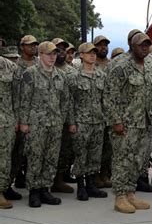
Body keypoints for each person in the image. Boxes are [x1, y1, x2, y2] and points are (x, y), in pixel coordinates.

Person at [104, 33, 152, 213]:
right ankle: (120, 197)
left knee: (137, 160)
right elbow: (109, 96)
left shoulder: (151, 63)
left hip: (144, 122)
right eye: (141, 45)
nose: (145, 48)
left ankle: (130, 193)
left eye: (147, 45)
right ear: (132, 46)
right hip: (125, 124)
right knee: (122, 160)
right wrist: (116, 121)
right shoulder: (119, 65)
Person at [18, 41, 71, 208]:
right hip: (36, 125)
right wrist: (24, 122)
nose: (52, 57)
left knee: (51, 158)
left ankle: (45, 189)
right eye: (49, 54)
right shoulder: (30, 73)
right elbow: (24, 100)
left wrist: (61, 119)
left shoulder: (60, 75)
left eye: (54, 54)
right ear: (40, 55)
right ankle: (34, 192)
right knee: (35, 157)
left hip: (55, 124)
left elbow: (65, 101)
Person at [67, 43, 108, 201]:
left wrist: (105, 119)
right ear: (81, 55)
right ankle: (81, 186)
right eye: (89, 52)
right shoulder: (73, 76)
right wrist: (71, 122)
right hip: (81, 122)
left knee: (95, 155)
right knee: (80, 155)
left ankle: (91, 185)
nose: (92, 55)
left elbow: (104, 100)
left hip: (97, 122)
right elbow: (69, 101)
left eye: (94, 53)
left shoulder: (101, 76)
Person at [10, 35, 39, 193]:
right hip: (20, 112)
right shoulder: (16, 66)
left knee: (32, 152)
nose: (32, 48)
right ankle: (11, 181)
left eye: (35, 45)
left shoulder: (40, 64)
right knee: (17, 151)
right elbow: (13, 93)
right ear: (22, 47)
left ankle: (30, 180)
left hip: (36, 114)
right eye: (29, 45)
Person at [50, 38, 76, 194]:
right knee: (47, 152)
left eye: (63, 49)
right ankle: (41, 184)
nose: (61, 52)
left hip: (67, 118)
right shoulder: (46, 68)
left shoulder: (72, 71)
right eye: (57, 49)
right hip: (48, 119)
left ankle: (58, 180)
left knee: (64, 151)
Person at [0, 53, 18, 209]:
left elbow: (18, 96)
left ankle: (1, 190)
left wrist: (17, 119)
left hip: (5, 121)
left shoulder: (10, 66)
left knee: (4, 159)